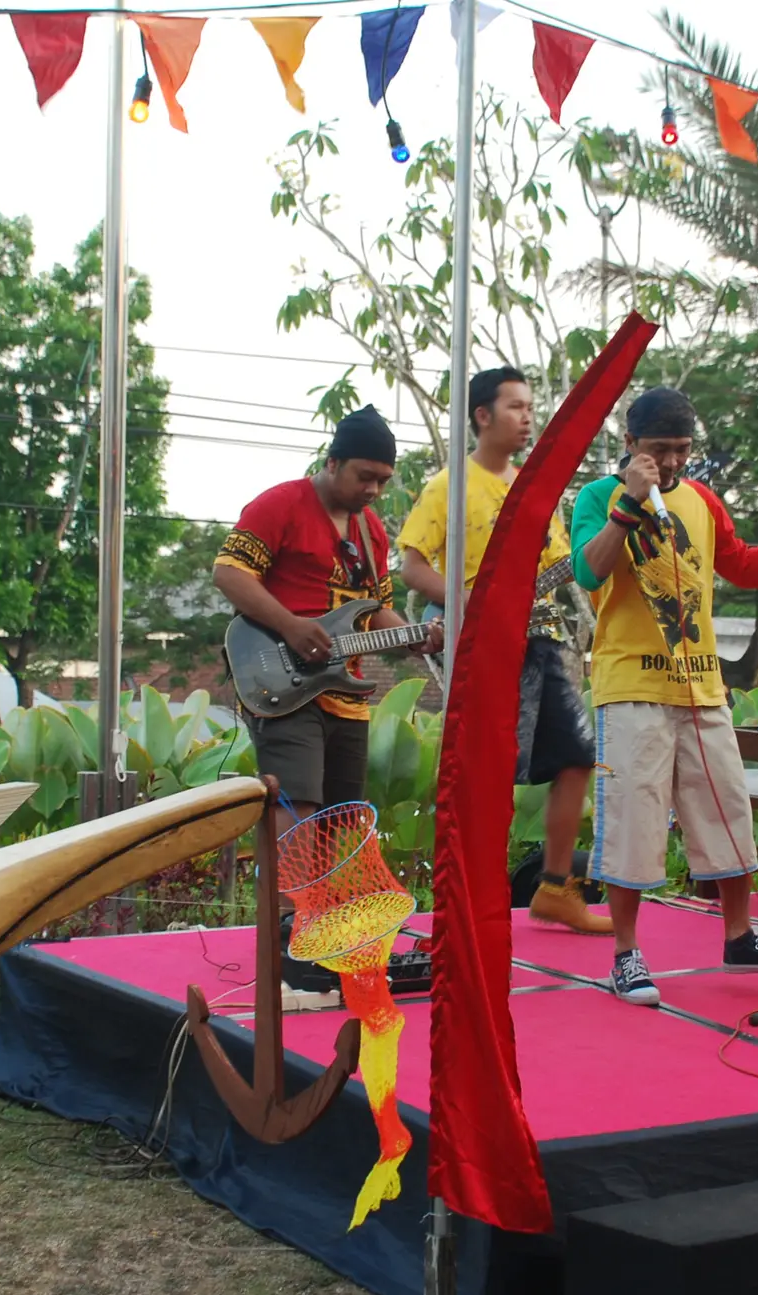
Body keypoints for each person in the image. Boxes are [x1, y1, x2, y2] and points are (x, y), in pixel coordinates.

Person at [568, 386, 758, 1006]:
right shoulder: (597, 497)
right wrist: (628, 505)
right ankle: (626, 954)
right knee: (634, 821)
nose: (670, 463)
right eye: (659, 450)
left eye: (682, 451)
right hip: (631, 684)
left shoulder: (701, 500)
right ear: (630, 444)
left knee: (727, 809)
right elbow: (589, 571)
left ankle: (740, 936)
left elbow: (743, 566)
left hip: (701, 685)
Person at [398, 366, 611, 935]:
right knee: (487, 772)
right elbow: (412, 564)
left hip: (542, 636)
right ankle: (474, 895)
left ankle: (556, 888)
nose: (527, 418)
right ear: (482, 416)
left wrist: (619, 531)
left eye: (530, 407)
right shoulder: (449, 485)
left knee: (576, 758)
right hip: (483, 646)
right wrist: (464, 596)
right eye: (515, 407)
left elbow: (562, 568)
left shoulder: (539, 491)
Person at [213, 406, 441, 829]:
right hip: (285, 687)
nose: (373, 489)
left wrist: (419, 636)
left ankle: (328, 899)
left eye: (383, 481)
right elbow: (228, 573)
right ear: (332, 463)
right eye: (365, 476)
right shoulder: (281, 504)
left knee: (341, 823)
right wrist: (291, 626)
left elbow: (376, 611)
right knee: (295, 810)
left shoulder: (372, 530)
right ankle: (287, 899)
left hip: (347, 699)